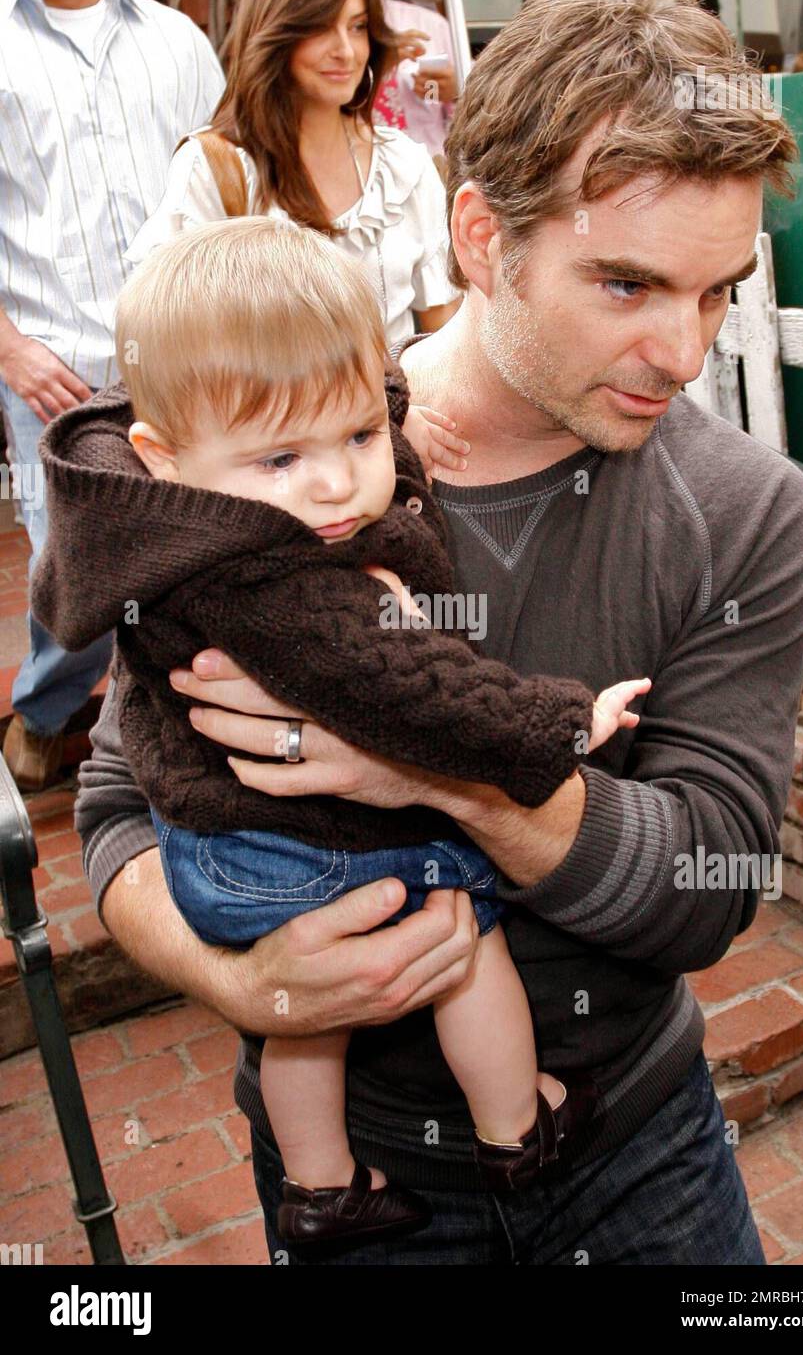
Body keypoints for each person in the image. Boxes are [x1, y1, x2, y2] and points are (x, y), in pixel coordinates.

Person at [74, 0, 803, 1265]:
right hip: (357, 1164)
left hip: (636, 1142)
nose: (685, 352)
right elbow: (113, 811)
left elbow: (711, 875)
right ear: (479, 237)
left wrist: (428, 770)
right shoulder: (274, 465)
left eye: (715, 293)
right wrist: (241, 984)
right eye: (628, 285)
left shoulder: (746, 509)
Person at [34, 216, 648, 1248]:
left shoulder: (153, 520)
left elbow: (321, 414)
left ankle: (319, 1185)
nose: (333, 484)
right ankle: (517, 1124)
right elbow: (426, 694)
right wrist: (561, 725)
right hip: (293, 850)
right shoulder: (280, 583)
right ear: (165, 451)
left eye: (359, 435)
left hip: (215, 847)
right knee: (467, 933)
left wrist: (391, 432)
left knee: (302, 1018)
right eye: (282, 456)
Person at [0, 0, 223, 790]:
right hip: (51, 367)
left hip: (184, 356)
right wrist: (10, 351)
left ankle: (169, 727)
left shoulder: (175, 41)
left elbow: (230, 169)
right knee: (76, 566)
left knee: (195, 548)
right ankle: (47, 713)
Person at [125, 0, 462, 350]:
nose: (345, 51)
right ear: (278, 34)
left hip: (399, 407)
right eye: (320, 28)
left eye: (357, 27)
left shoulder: (403, 165)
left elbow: (443, 330)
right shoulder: (216, 168)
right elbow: (158, 332)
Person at [369, 0, 459, 161]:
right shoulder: (315, 31)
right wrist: (376, 67)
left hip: (430, 170)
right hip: (358, 173)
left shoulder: (428, 25)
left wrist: (453, 92)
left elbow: (436, 100)